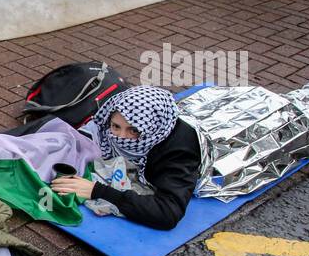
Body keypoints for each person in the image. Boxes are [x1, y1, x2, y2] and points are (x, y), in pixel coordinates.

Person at [49, 85, 200, 231]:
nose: (121, 138)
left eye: (133, 130)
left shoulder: (179, 152)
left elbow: (167, 213)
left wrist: (98, 191)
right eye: (116, 127)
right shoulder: (107, 125)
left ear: (152, 130)